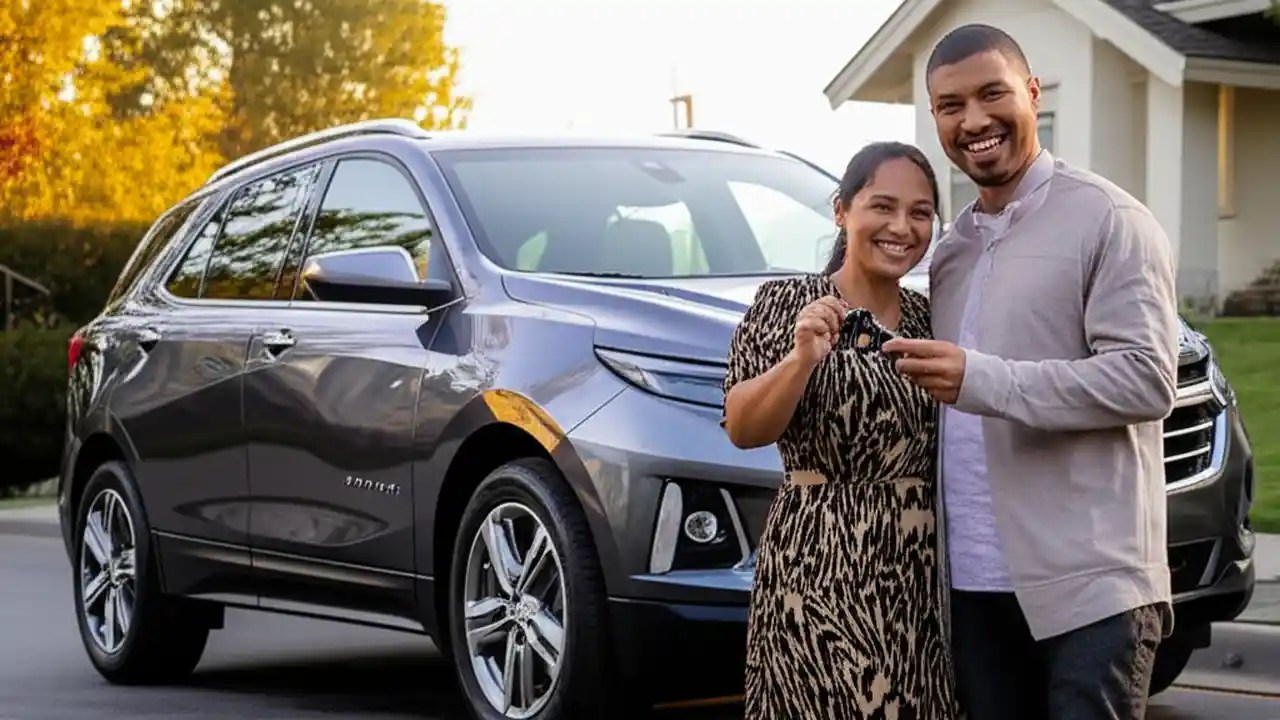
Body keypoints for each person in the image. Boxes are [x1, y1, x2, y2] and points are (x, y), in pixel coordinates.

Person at [882, 23, 1180, 720]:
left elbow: (1145, 378)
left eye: (993, 94)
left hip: (1092, 588)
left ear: (1033, 94)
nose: (973, 121)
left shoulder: (1110, 219)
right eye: (951, 106)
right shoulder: (951, 250)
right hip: (974, 586)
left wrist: (982, 379)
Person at [722, 141, 961, 719]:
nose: (901, 227)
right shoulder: (787, 302)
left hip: (919, 572)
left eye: (920, 213)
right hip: (818, 562)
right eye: (882, 206)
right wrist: (801, 359)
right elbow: (742, 427)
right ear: (841, 211)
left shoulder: (933, 318)